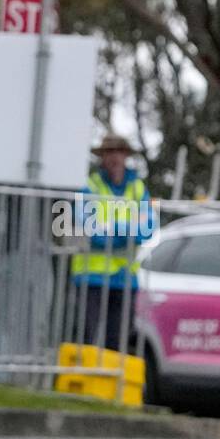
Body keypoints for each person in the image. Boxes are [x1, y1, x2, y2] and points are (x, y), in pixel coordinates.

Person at [74, 134, 154, 351]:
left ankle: (108, 385)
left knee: (117, 343)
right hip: (91, 277)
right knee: (84, 338)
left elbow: (147, 230)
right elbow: (90, 230)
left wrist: (111, 229)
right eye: (109, 152)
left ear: (126, 155)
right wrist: (127, 231)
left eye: (118, 152)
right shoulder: (91, 187)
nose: (114, 157)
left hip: (125, 279)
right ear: (102, 157)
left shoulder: (138, 188)